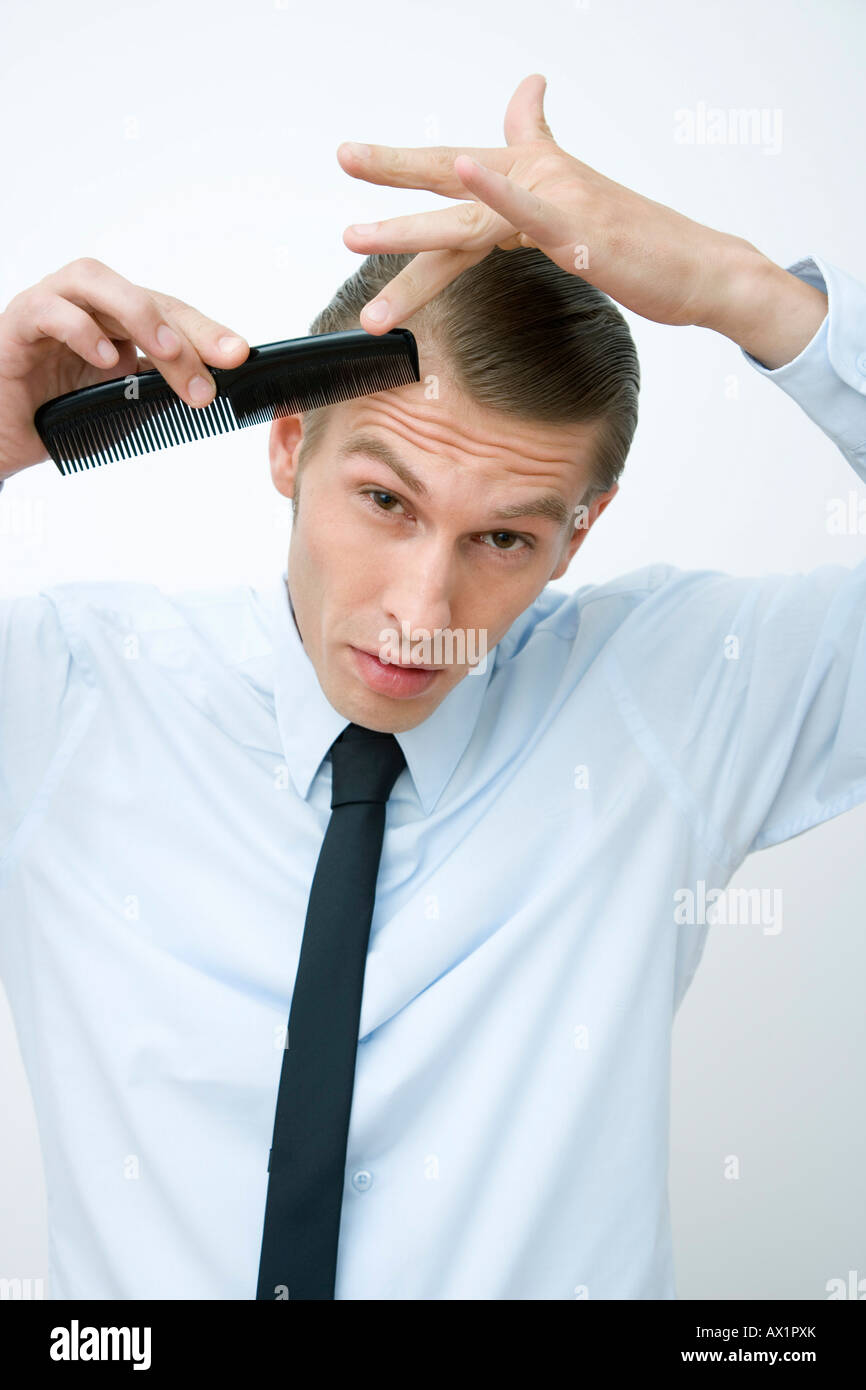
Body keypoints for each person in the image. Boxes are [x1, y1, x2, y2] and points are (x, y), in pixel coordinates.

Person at [0, 73, 863, 1301]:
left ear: (578, 533)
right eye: (385, 501)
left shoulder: (677, 697)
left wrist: (742, 290)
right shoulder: (65, 701)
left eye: (502, 539)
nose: (420, 615)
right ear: (289, 445)